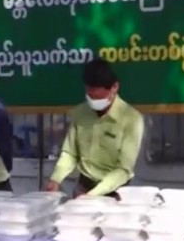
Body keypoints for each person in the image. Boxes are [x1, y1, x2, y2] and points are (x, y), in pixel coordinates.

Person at [45, 58, 144, 199]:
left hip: (116, 190)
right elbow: (70, 153)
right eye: (90, 96)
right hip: (84, 185)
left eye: (98, 97)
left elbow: (123, 169)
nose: (94, 101)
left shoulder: (131, 119)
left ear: (114, 88)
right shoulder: (80, 113)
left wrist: (92, 196)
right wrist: (55, 179)